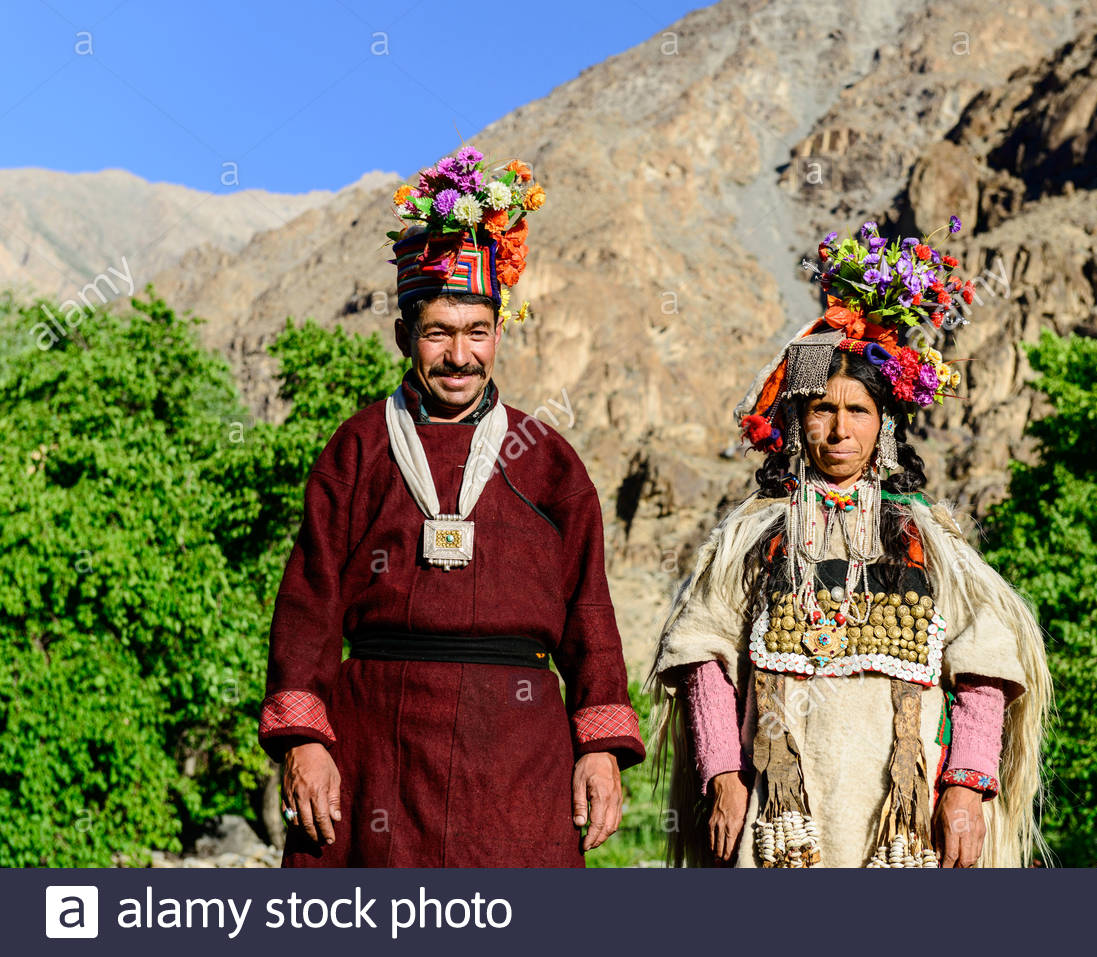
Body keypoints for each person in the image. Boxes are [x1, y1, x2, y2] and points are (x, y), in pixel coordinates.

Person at [258, 145, 644, 867]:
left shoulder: (546, 458)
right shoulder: (359, 447)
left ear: (499, 334)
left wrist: (599, 748)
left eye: (476, 333)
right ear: (406, 335)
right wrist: (306, 738)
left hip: (517, 753)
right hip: (376, 739)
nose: (459, 356)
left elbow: (590, 608)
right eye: (438, 332)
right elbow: (309, 599)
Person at [649, 218, 1051, 868]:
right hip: (778, 823)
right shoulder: (751, 540)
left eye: (858, 410)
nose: (839, 430)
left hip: (903, 826)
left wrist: (966, 789)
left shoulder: (930, 543)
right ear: (796, 421)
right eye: (821, 410)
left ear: (884, 426)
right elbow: (701, 655)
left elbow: (986, 665)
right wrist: (722, 776)